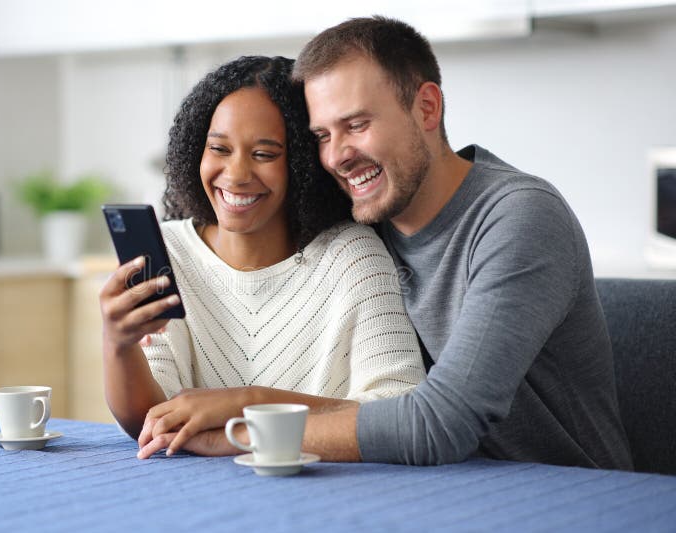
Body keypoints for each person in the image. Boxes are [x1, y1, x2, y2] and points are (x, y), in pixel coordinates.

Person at [155, 18, 633, 470]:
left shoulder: (519, 217)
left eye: (357, 125)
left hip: (564, 493)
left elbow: (441, 422)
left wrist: (247, 417)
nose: (337, 156)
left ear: (427, 107)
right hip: (428, 487)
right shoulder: (367, 224)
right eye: (322, 135)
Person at [99, 55, 426, 459]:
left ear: (302, 165)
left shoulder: (353, 259)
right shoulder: (170, 255)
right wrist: (118, 344)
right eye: (219, 148)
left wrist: (246, 403)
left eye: (264, 154)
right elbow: (153, 421)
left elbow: (399, 412)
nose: (235, 174)